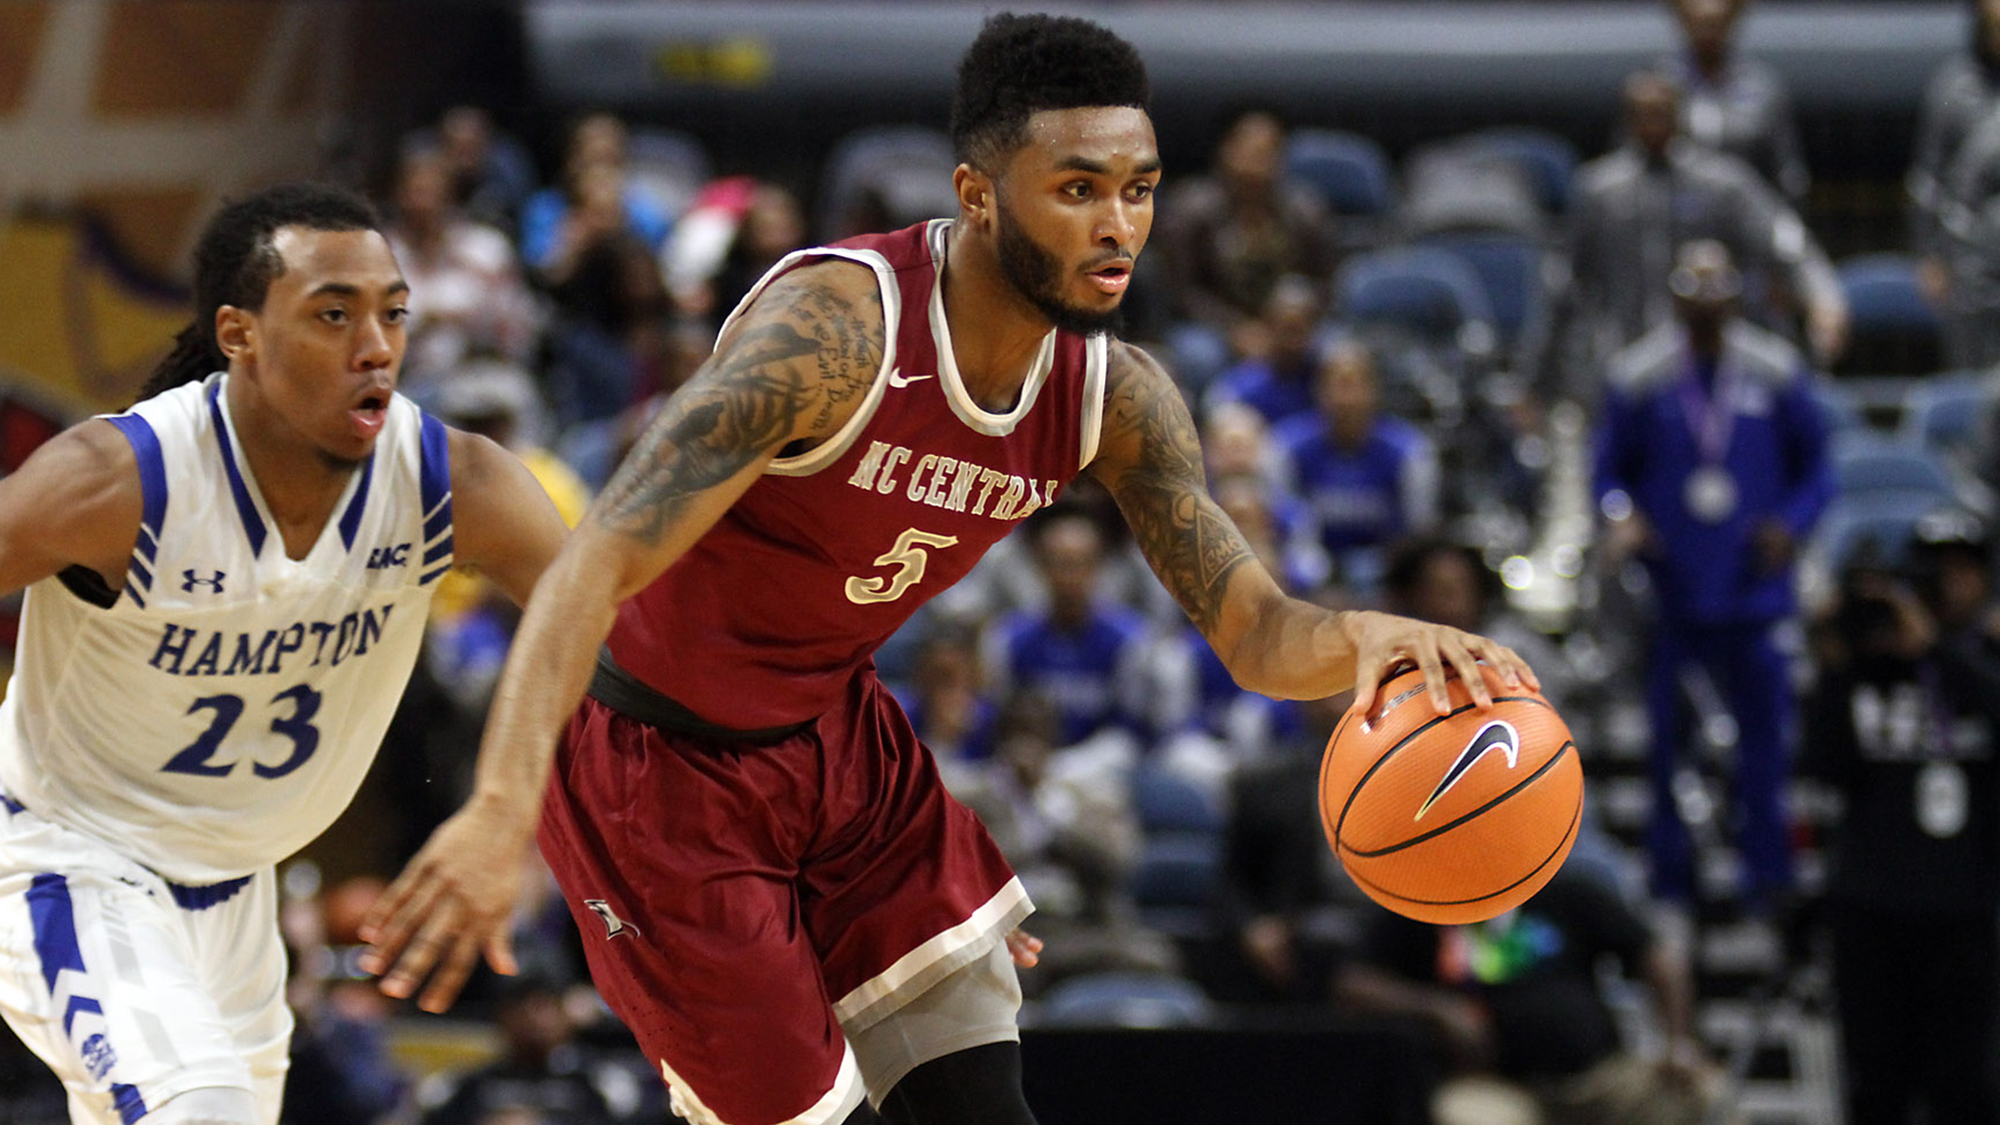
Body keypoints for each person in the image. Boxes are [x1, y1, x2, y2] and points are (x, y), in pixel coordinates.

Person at [361, 15, 1536, 1125]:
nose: (1116, 225)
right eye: (1076, 189)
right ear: (977, 196)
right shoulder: (832, 336)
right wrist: (498, 811)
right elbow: (591, 568)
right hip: (658, 767)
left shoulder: (1114, 398)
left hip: (839, 743)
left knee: (978, 1103)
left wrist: (1361, 641)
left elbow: (1253, 632)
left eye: (1136, 189)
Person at [0, 183, 569, 1125]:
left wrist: (509, 816)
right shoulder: (121, 480)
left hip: (240, 894)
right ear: (240, 334)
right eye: (332, 314)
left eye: (393, 312)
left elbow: (599, 630)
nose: (375, 345)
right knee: (200, 1109)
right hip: (73, 859)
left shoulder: (451, 480)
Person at [1595, 238, 1834, 911]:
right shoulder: (1640, 375)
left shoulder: (1775, 370)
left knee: (1764, 745)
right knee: (1669, 744)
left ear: (1735, 295)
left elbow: (1818, 470)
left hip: (1753, 592)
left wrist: (1789, 524)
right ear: (1674, 297)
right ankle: (1673, 879)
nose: (1704, 304)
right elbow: (1607, 472)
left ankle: (1768, 878)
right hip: (1675, 594)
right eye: (1691, 289)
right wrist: (1624, 518)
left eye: (1716, 289)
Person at [1801, 558, 2000, 1125]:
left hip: (1961, 909)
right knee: (1875, 1080)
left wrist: (1932, 650)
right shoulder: (1853, 679)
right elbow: (1821, 766)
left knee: (1964, 1082)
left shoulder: (1972, 667)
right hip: (1870, 907)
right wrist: (1835, 664)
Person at [1559, 71, 1845, 402]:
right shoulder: (1599, 191)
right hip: (1622, 357)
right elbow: (1563, 283)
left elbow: (1785, 239)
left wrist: (1822, 295)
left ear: (1679, 116)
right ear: (1627, 121)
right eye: (1643, 115)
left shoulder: (1721, 184)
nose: (1653, 125)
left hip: (1705, 360)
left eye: (1661, 114)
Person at [1657, 0, 1810, 205]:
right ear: (1683, 22)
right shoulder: (1656, 86)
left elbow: (1786, 171)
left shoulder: (1762, 87)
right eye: (1700, 23)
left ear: (1732, 22)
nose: (1707, 33)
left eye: (1714, 24)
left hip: (1747, 215)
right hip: (1676, 214)